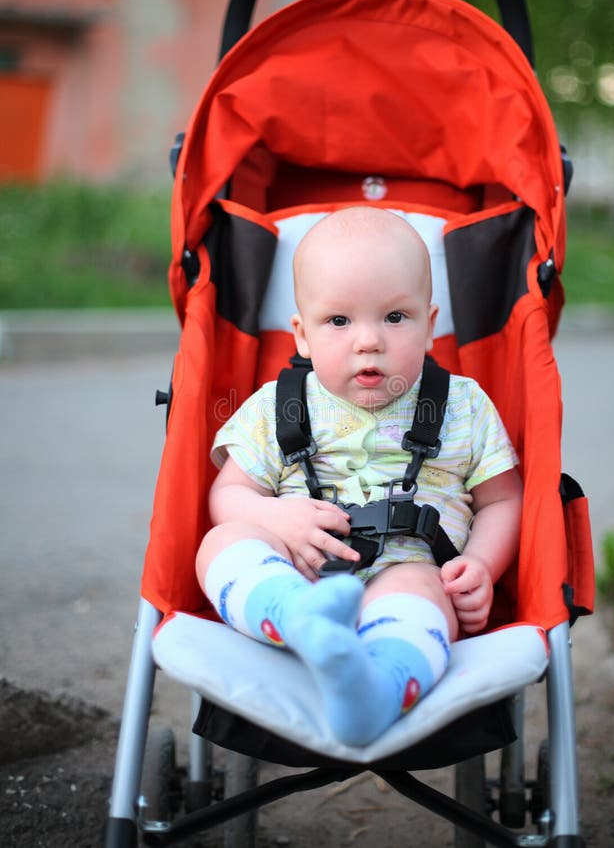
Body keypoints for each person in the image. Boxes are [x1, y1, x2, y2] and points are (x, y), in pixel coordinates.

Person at [196, 206, 522, 746]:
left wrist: (481, 566)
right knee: (221, 540)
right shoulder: (278, 405)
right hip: (298, 572)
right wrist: (272, 514)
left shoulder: (464, 405)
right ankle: (297, 617)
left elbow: (502, 500)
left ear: (430, 324)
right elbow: (228, 493)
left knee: (423, 596)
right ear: (301, 334)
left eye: (395, 317)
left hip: (408, 568)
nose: (368, 340)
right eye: (339, 321)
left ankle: (375, 689)